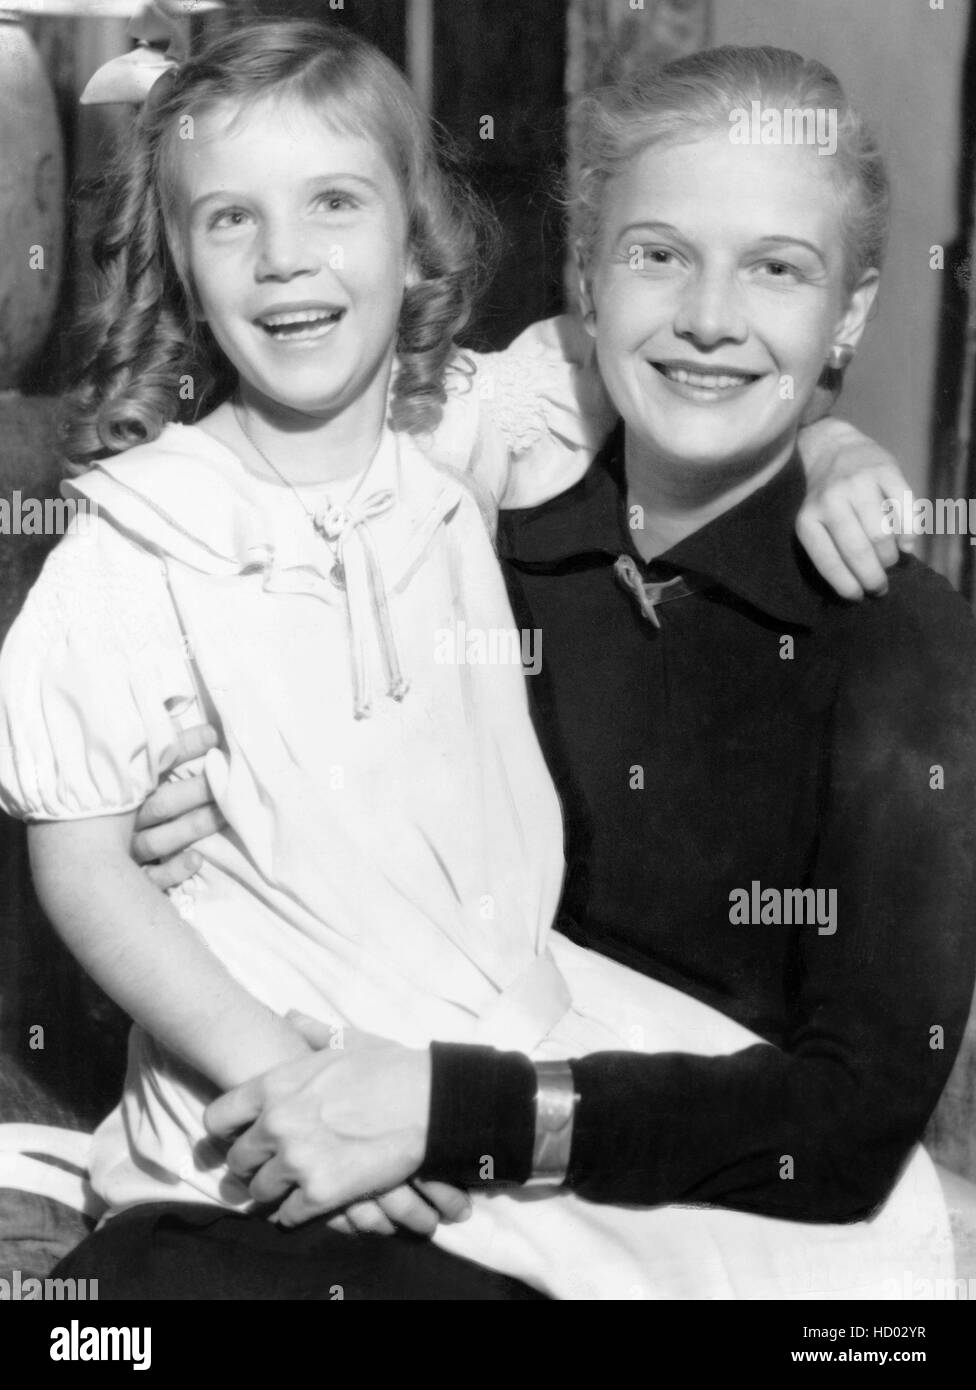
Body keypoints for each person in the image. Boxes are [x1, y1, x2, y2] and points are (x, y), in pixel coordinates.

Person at [0, 26, 945, 1299]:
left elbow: (851, 1112)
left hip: (510, 1060)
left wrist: (834, 448)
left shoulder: (450, 451)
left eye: (336, 203)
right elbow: (95, 860)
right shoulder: (401, 484)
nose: (287, 256)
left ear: (410, 238)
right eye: (654, 254)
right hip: (264, 1095)